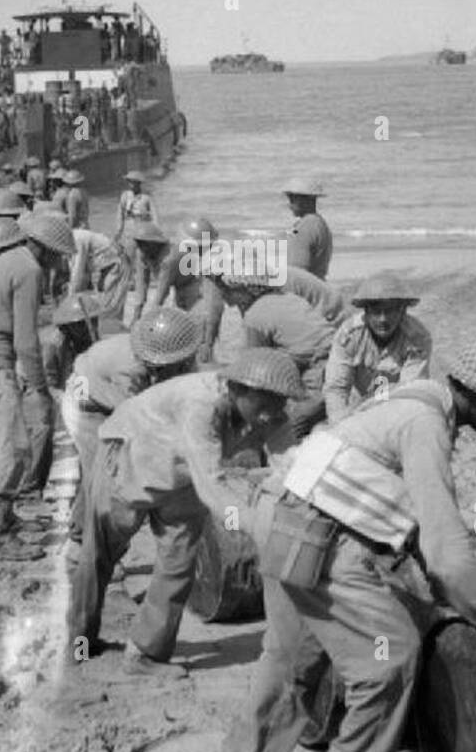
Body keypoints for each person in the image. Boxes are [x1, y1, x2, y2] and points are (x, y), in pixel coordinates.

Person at [215, 331, 476, 752]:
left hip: (281, 509)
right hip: (316, 534)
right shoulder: (426, 425)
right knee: (389, 656)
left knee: (290, 655)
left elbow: (404, 516)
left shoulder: (414, 401)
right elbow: (446, 550)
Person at [67, 347, 303, 677]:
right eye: (263, 406)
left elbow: (288, 465)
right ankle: (79, 643)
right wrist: (253, 526)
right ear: (237, 390)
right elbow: (212, 485)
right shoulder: (202, 404)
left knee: (178, 563)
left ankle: (146, 654)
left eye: (278, 406)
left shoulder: (272, 410)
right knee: (100, 556)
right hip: (130, 457)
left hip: (182, 473)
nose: (270, 416)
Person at [0, 212, 75, 558]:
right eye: (57, 256)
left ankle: (7, 519)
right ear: (46, 250)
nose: (58, 264)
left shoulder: (6, 258)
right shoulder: (30, 271)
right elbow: (26, 340)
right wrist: (39, 388)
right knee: (18, 447)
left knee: (0, 443)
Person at [60, 305, 202, 563]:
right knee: (103, 475)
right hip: (85, 403)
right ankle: (83, 546)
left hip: (108, 397)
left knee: (98, 473)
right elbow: (139, 421)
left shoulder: (175, 350)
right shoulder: (131, 369)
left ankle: (85, 533)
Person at [216, 274, 339, 438]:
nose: (225, 297)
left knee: (296, 420)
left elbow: (253, 367)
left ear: (247, 289)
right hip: (337, 355)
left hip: (318, 366)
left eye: (228, 291)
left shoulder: (255, 316)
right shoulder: (289, 297)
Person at [322, 273, 433, 422]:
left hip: (398, 409)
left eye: (390, 311)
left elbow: (409, 394)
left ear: (403, 311)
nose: (383, 319)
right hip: (357, 406)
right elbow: (337, 389)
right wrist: (340, 425)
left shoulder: (417, 338)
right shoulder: (349, 335)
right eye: (376, 312)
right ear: (366, 312)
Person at [151, 215, 224, 362]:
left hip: (196, 307)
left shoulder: (204, 264)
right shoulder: (203, 260)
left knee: (195, 352)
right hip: (189, 301)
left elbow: (159, 298)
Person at [69, 226, 131, 320]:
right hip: (107, 267)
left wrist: (70, 299)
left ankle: (112, 330)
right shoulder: (72, 241)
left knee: (110, 306)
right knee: (103, 302)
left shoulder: (77, 240)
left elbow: (77, 274)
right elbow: (80, 274)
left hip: (117, 263)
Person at [283, 176, 332, 280]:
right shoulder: (319, 223)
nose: (289, 204)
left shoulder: (305, 227)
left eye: (292, 199)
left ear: (307, 200)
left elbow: (297, 271)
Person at [123, 221, 170, 324]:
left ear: (154, 244)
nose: (142, 248)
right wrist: (137, 313)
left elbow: (163, 289)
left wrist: (151, 317)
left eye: (145, 244)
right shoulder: (141, 253)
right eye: (139, 244)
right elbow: (141, 282)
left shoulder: (167, 257)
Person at [115, 170, 156, 240]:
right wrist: (119, 231)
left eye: (132, 182)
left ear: (138, 183)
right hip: (129, 227)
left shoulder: (146, 197)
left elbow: (154, 214)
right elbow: (120, 215)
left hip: (143, 226)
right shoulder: (125, 196)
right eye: (129, 181)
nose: (130, 184)